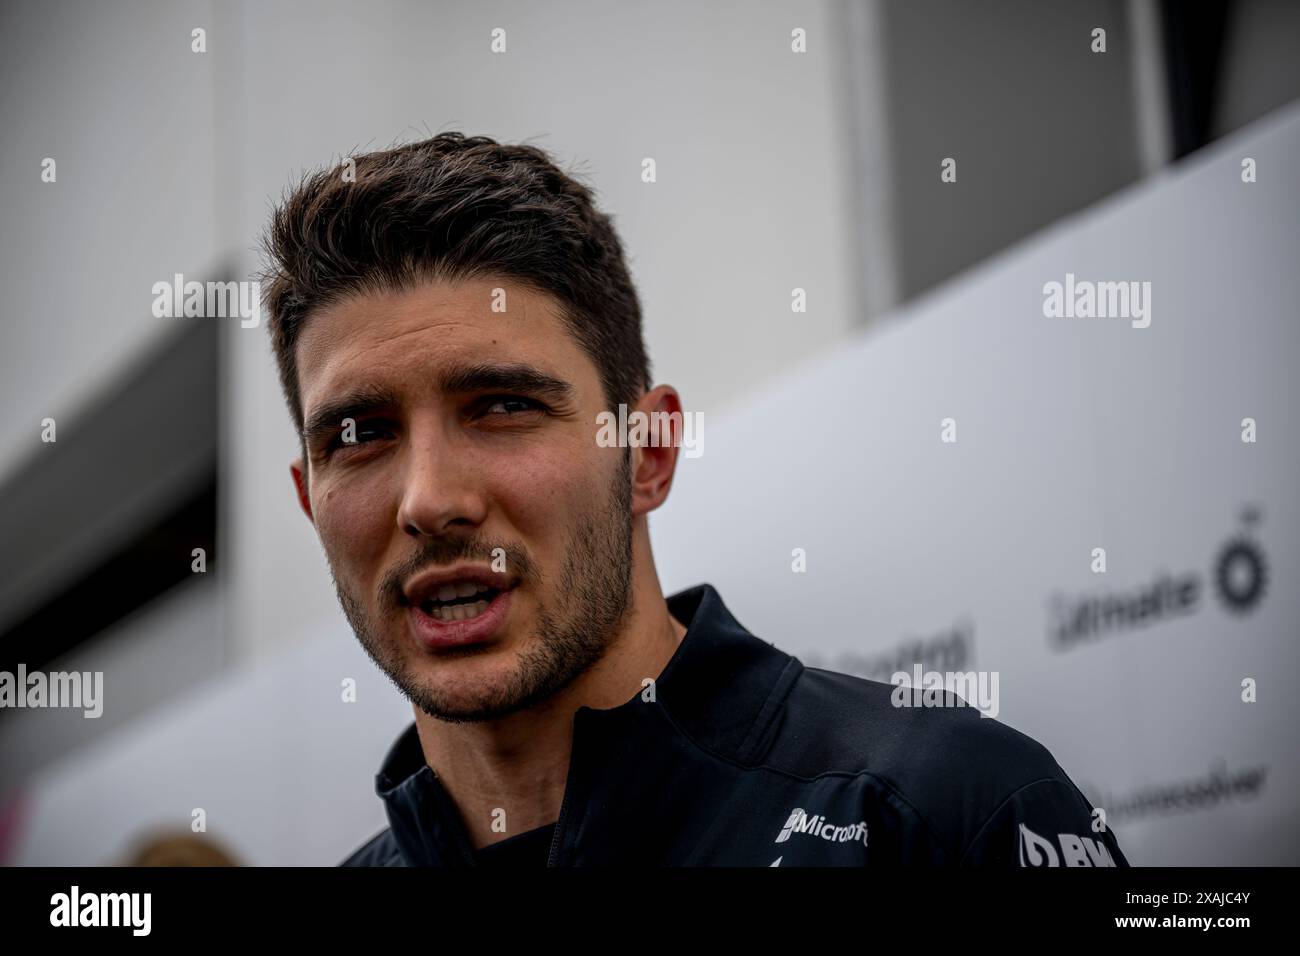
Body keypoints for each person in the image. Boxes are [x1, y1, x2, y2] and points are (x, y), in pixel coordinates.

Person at [259, 132, 1128, 867]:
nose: (429, 500)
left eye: (502, 407)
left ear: (647, 450)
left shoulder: (941, 810)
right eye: (360, 434)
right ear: (309, 500)